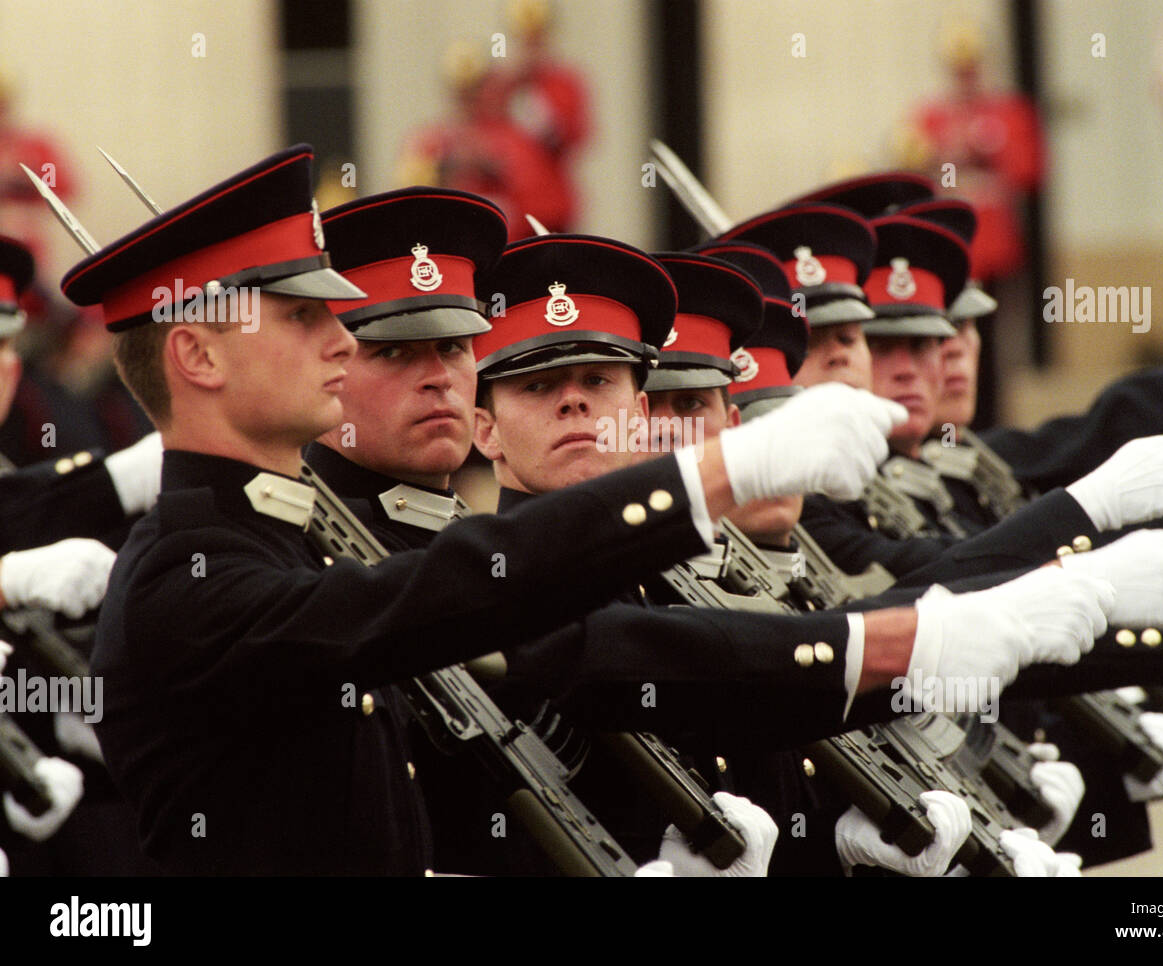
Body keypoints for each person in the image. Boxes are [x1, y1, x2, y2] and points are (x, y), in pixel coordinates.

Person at [67, 150, 1006, 875]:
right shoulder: (187, 579)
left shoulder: (271, 546)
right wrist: (718, 474)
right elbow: (461, 591)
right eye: (303, 317)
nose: (339, 338)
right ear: (197, 356)